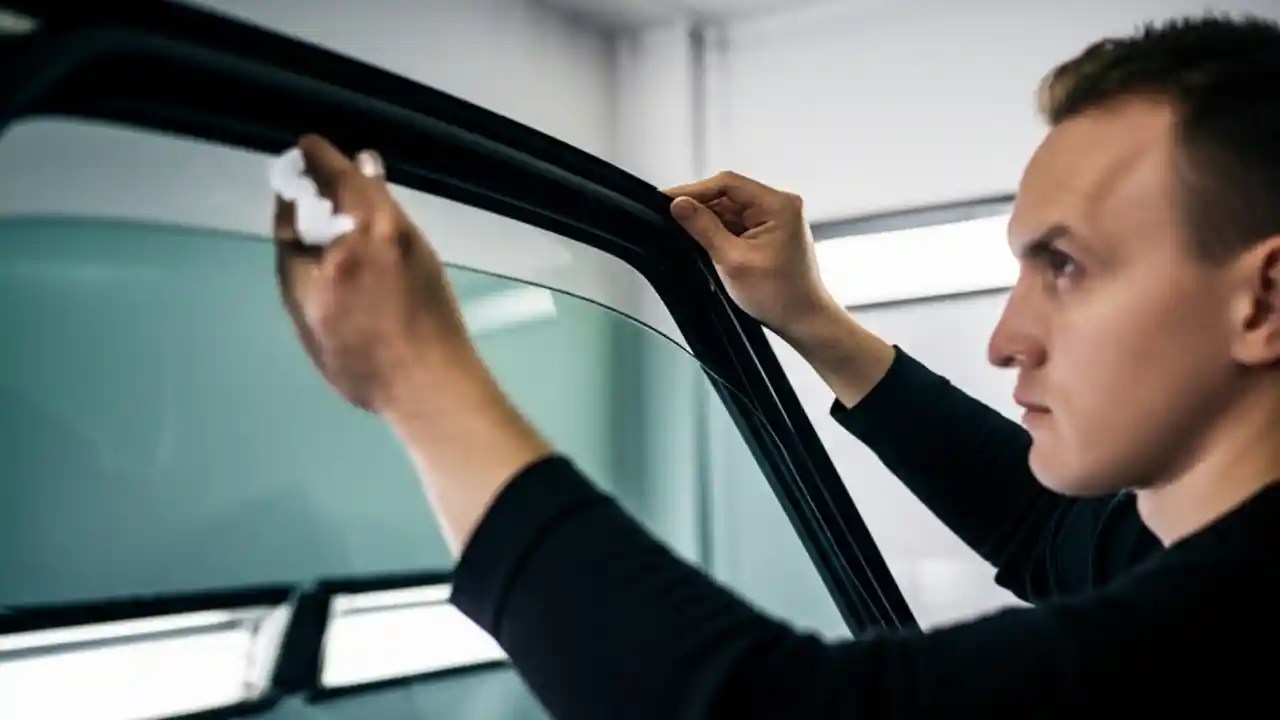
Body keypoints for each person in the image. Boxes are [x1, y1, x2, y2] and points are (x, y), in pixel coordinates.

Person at [271, 13, 1280, 719]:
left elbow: (758, 709)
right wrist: (807, 318)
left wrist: (416, 375)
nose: (1003, 338)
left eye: (1063, 265)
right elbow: (1041, 525)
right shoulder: (1182, 552)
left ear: (1262, 300)